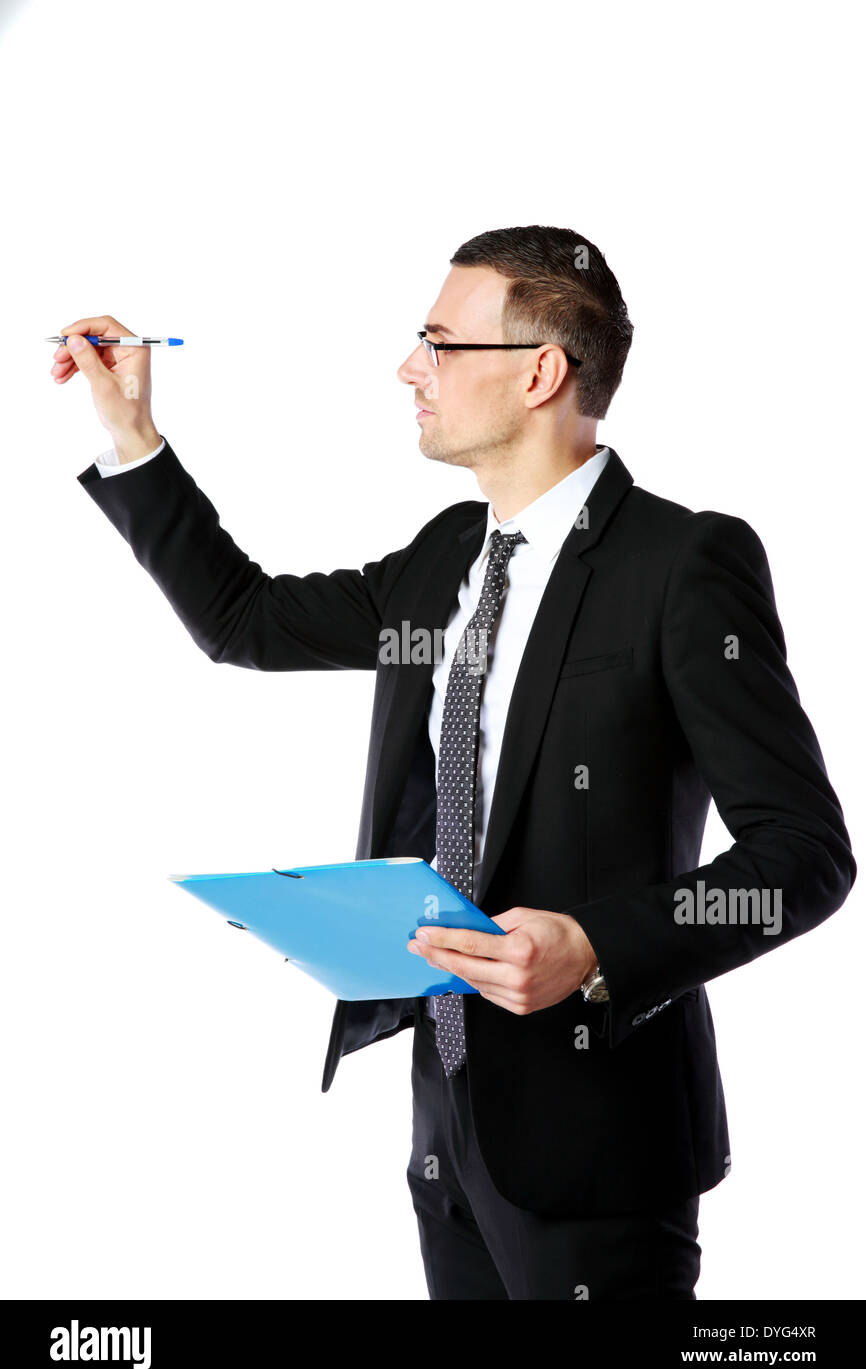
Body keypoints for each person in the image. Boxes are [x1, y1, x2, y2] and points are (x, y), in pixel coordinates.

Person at [53, 225, 855, 1300]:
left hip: (598, 1141)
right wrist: (134, 431)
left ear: (538, 372)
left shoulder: (682, 564)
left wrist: (595, 946)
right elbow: (241, 620)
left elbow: (802, 854)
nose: (406, 369)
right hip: (446, 1127)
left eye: (437, 343)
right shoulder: (441, 562)